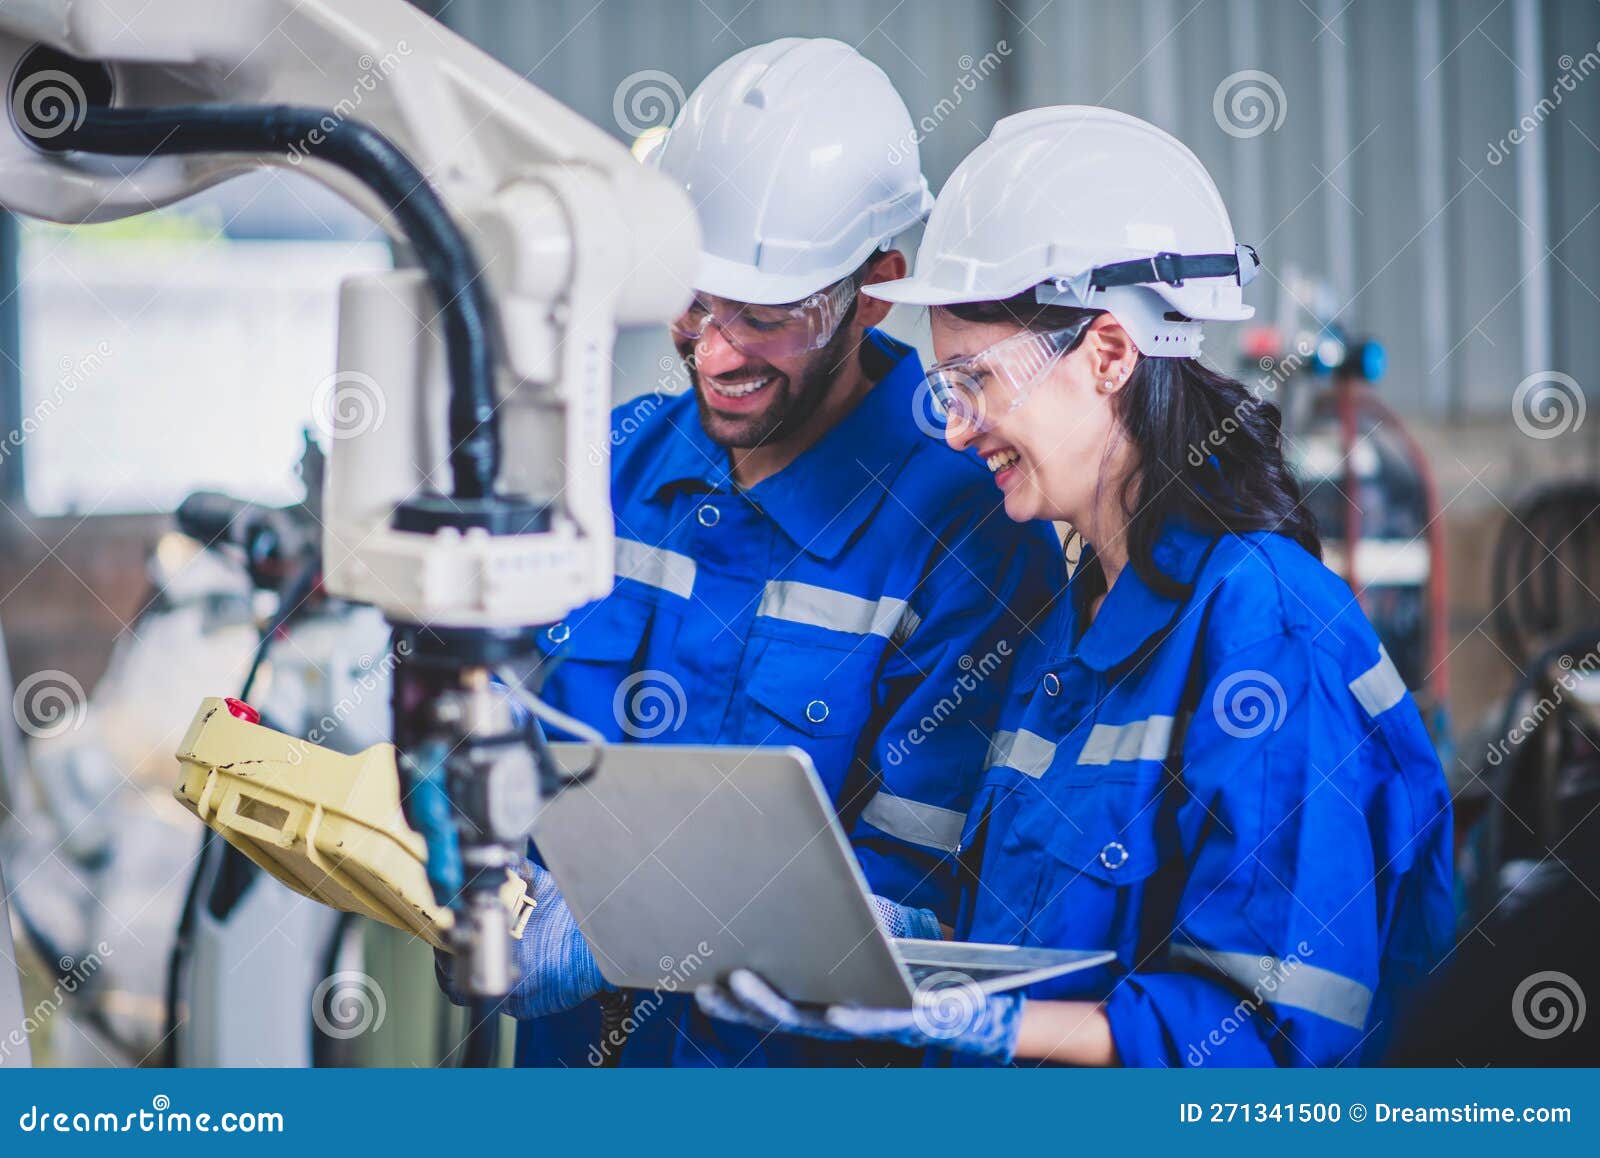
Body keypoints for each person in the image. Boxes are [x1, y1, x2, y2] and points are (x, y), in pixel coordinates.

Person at [695, 106, 1456, 1066]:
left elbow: (1270, 1033)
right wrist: (881, 949)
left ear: (1107, 352)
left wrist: (987, 1025)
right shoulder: (1069, 623)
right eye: (944, 388)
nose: (958, 429)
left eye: (973, 381)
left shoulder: (1265, 627)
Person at [444, 40, 1066, 1068]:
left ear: (876, 291)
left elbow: (928, 915)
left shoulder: (968, 527)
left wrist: (636, 921)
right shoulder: (612, 460)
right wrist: (481, 880)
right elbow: (489, 749)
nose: (715, 352)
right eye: (693, 301)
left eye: (767, 319)